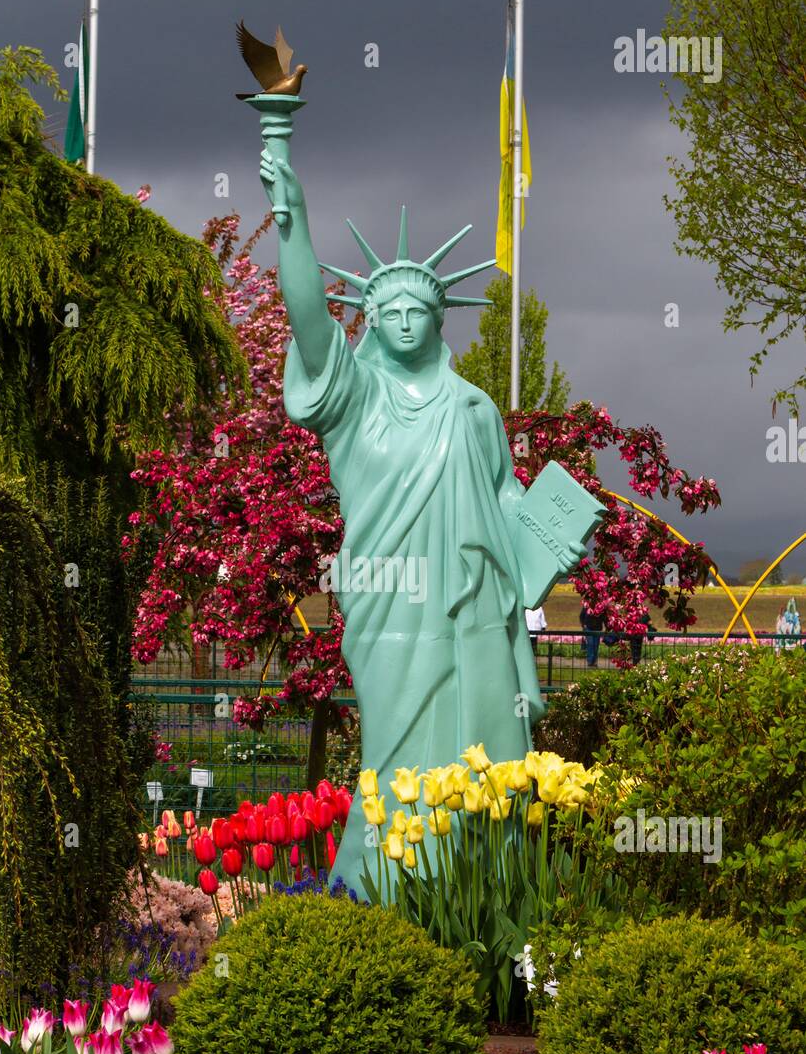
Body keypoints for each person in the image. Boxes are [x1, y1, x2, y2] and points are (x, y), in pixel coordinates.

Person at [258, 147, 590, 894]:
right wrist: (294, 221)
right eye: (391, 312)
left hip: (473, 610)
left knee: (485, 751)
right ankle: (382, 892)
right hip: (389, 608)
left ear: (440, 320)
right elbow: (310, 319)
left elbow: (505, 499)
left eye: (419, 311)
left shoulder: (473, 409)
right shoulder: (353, 398)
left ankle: (486, 898)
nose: (406, 322)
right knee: (395, 753)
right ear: (372, 320)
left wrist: (550, 536)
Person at [579, 603, 605, 668]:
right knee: (590, 644)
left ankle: (594, 662)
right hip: (588, 628)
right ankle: (590, 662)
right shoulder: (587, 606)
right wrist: (583, 625)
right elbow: (581, 616)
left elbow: (604, 617)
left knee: (596, 645)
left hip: (598, 629)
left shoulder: (602, 606)